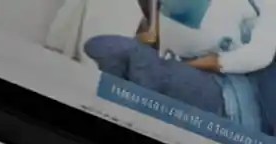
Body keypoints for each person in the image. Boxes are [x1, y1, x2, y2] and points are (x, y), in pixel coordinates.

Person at [86, 0, 276, 133]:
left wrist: (198, 64)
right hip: (187, 68)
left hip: (228, 93)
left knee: (132, 60)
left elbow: (258, 55)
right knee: (119, 57)